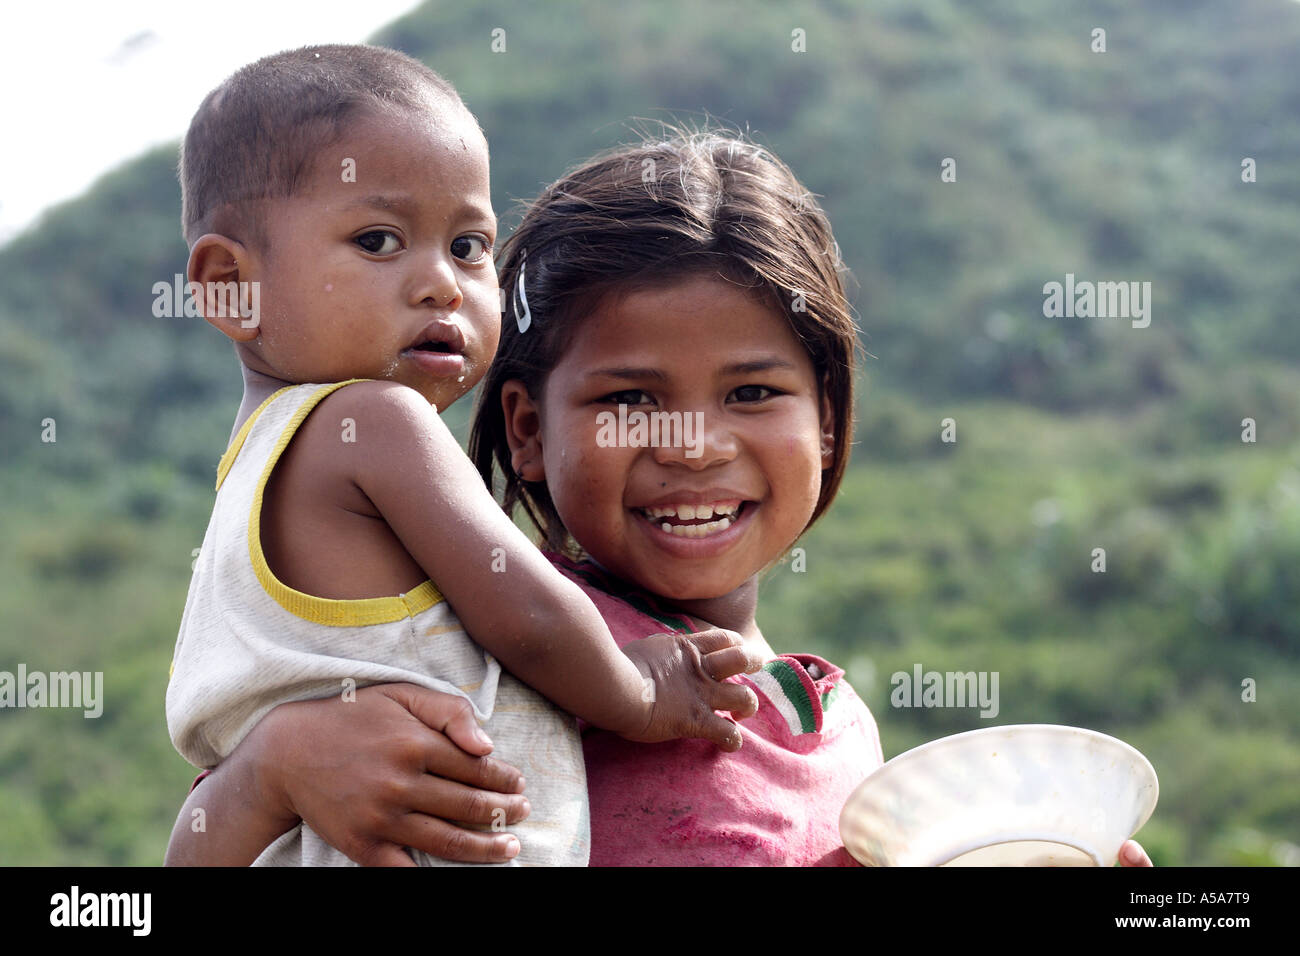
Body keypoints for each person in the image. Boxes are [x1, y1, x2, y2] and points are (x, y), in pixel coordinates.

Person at [167, 125, 1156, 867]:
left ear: (827, 421)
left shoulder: (839, 723)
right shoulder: (494, 644)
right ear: (526, 430)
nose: (692, 443)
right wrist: (276, 765)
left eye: (752, 392)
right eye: (630, 397)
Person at [165, 47, 760, 868]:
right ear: (232, 284)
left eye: (471, 246)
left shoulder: (248, 484)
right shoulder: (373, 420)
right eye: (379, 240)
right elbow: (532, 618)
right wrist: (643, 692)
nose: (442, 284)